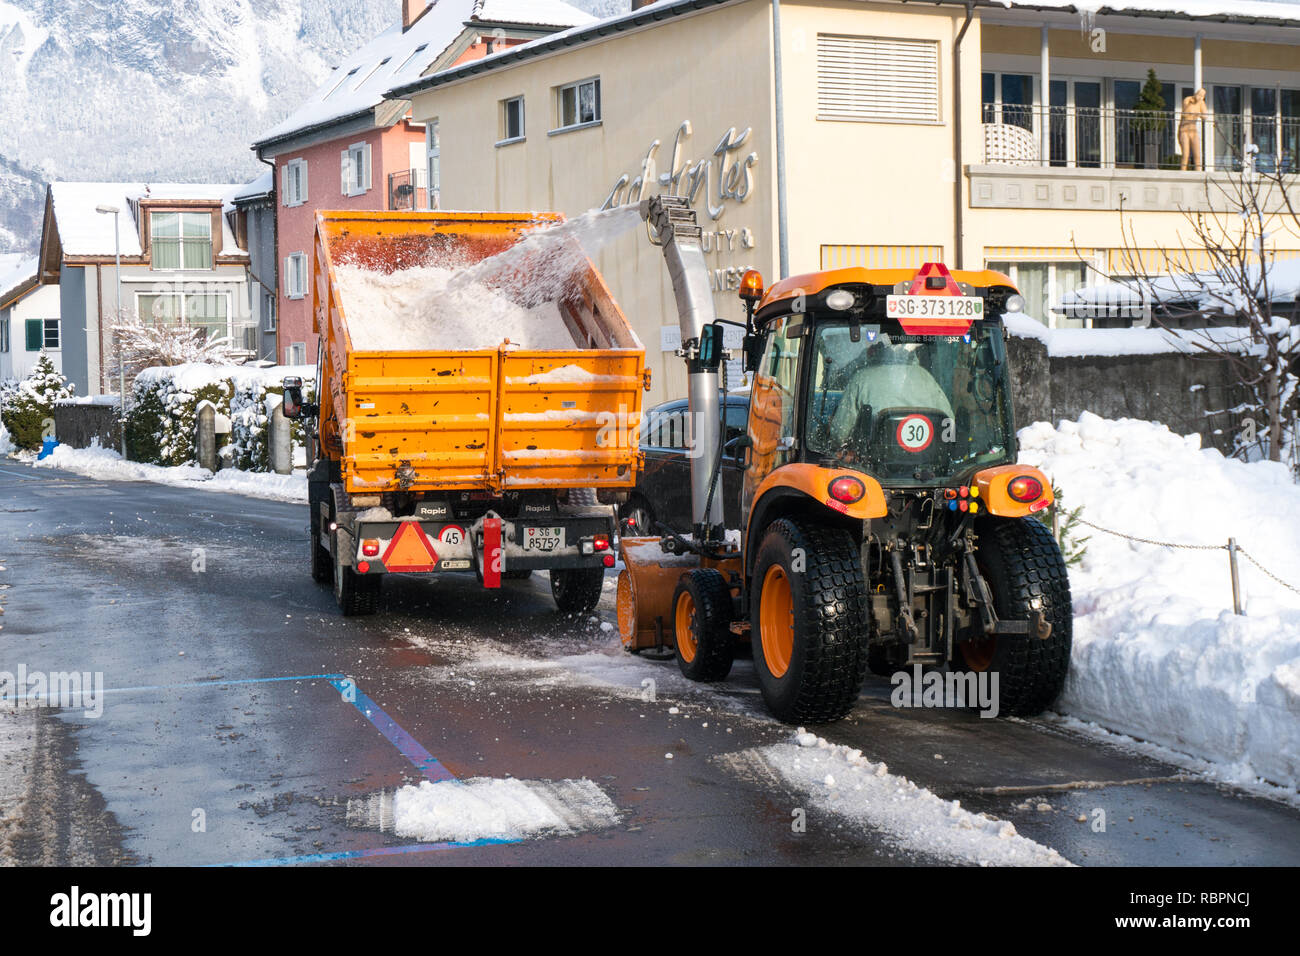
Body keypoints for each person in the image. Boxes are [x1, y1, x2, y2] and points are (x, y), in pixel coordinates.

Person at [829, 337, 953, 447]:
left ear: (876, 352)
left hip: (872, 468)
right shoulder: (927, 378)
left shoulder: (861, 379)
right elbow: (950, 425)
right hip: (927, 464)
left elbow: (839, 435)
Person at [1179, 88, 1208, 172]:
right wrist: (1194, 108)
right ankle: (1183, 171)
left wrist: (1199, 114)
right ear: (1195, 94)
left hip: (1193, 130)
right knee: (1186, 154)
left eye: (1202, 96)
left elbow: (1205, 116)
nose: (1200, 97)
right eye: (1199, 95)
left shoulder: (1201, 103)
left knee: (1197, 154)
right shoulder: (1188, 99)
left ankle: (1198, 172)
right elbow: (1185, 112)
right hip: (1184, 129)